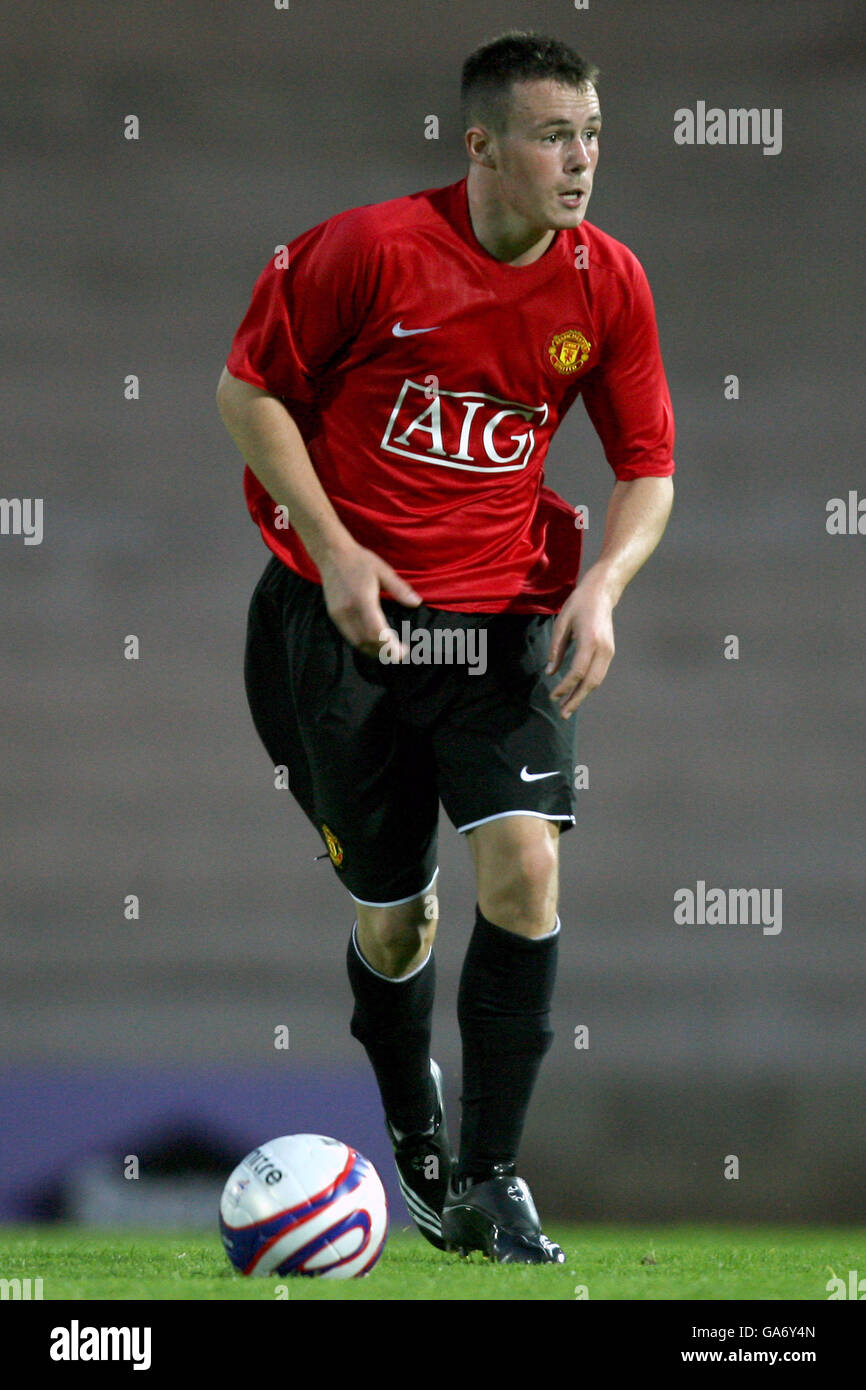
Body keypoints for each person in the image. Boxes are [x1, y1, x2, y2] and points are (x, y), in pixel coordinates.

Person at [217, 30, 675, 1264]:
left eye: (588, 135)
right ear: (480, 145)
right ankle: (415, 1144)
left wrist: (603, 589)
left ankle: (491, 1178)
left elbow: (646, 467)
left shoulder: (605, 283)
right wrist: (337, 545)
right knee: (398, 922)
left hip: (502, 625)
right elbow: (247, 391)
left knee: (524, 869)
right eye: (549, 136)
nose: (577, 161)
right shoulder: (366, 252)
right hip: (340, 628)